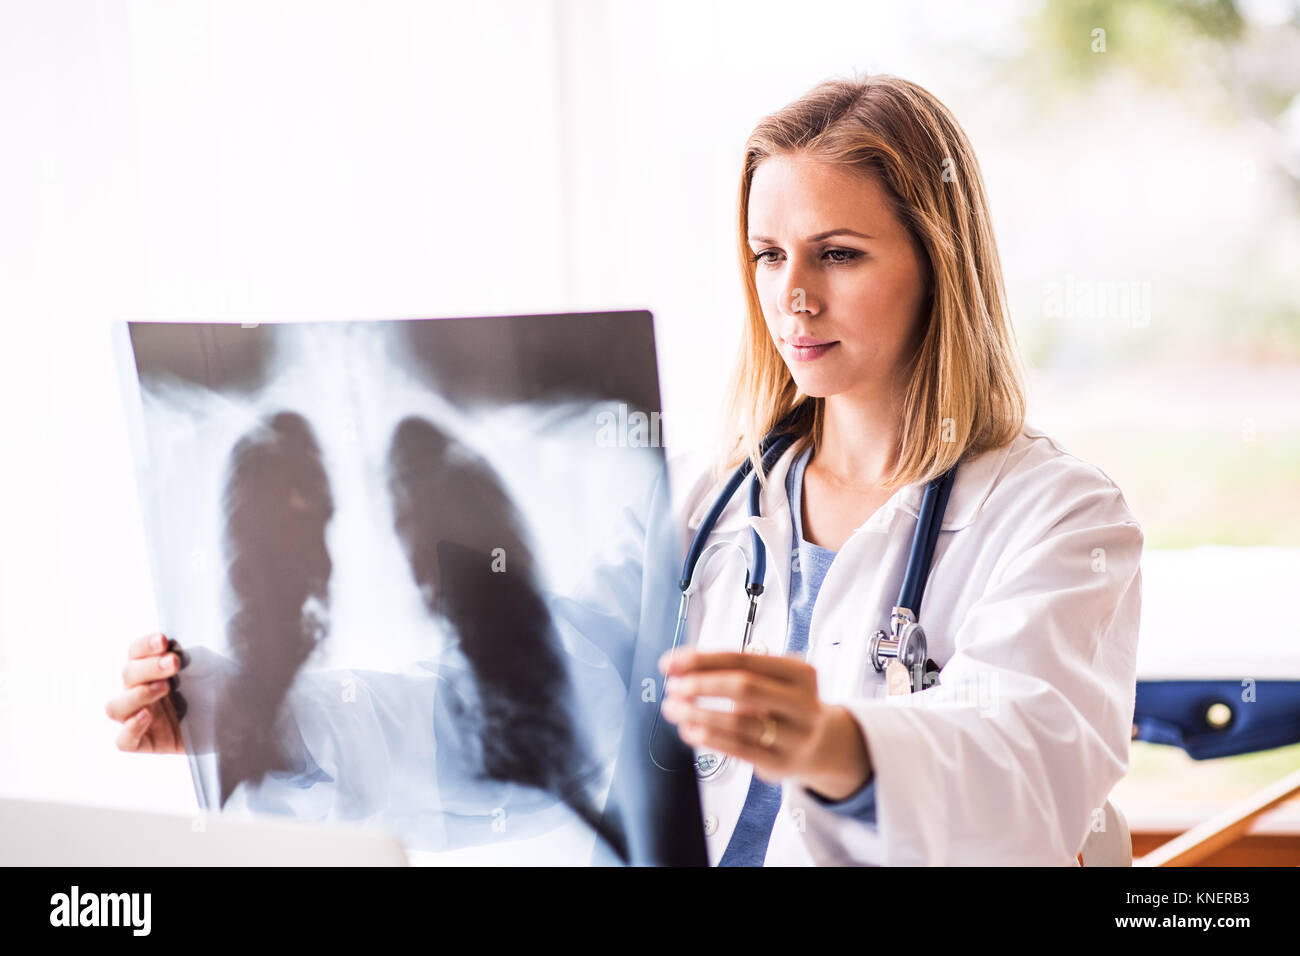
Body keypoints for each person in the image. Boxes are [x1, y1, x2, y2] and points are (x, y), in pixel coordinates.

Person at [108, 72, 1143, 866]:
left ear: (936, 259)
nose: (794, 299)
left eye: (838, 253)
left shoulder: (1055, 517)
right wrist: (246, 713)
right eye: (768, 254)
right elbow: (521, 706)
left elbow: (1032, 757)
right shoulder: (703, 503)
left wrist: (843, 742)